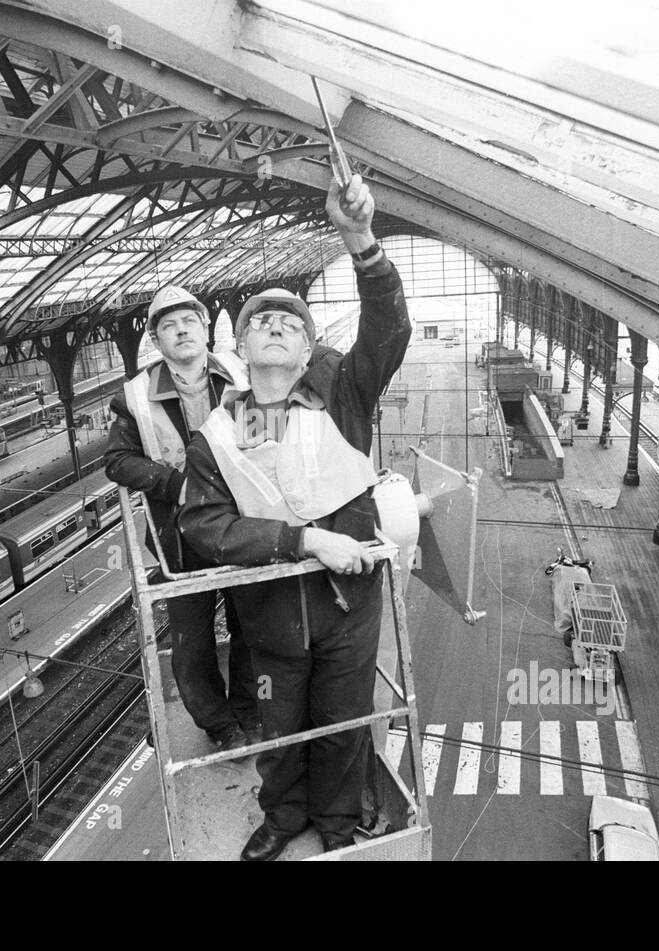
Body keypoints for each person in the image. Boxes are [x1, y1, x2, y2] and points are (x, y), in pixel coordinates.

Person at [179, 171, 412, 860]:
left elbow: (388, 330)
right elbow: (206, 525)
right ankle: (282, 818)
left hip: (349, 604)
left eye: (290, 324)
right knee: (280, 724)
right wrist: (305, 539)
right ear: (242, 351)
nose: (276, 327)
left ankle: (337, 828)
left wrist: (359, 239)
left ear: (307, 351)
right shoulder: (218, 435)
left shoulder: (343, 396)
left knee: (342, 721)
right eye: (261, 323)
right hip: (273, 608)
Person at [104, 285, 261, 754]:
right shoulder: (135, 397)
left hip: (241, 524)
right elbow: (118, 461)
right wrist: (171, 483)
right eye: (169, 326)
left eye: (188, 322)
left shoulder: (242, 376)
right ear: (156, 338)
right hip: (181, 536)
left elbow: (270, 438)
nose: (181, 331)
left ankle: (250, 711)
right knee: (192, 642)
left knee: (251, 623)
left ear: (205, 327)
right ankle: (219, 725)